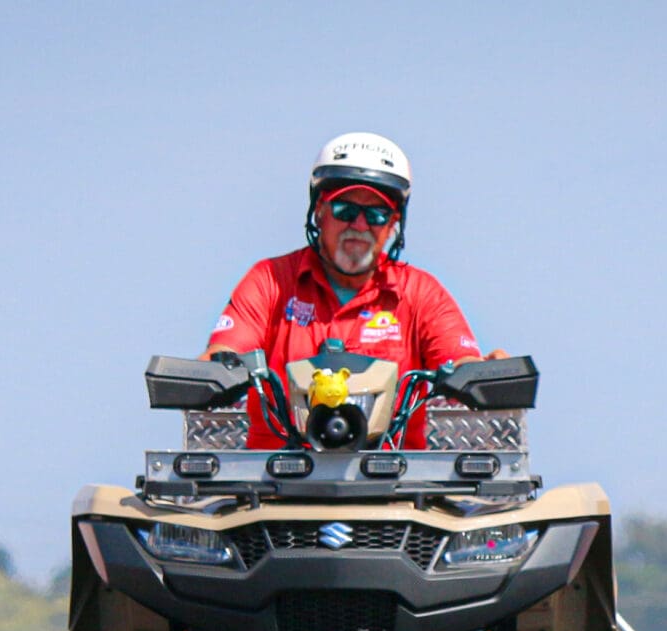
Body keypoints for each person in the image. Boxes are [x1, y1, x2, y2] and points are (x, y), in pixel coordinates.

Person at [201, 132, 508, 449]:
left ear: (394, 225)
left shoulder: (421, 292)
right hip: (275, 482)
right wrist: (214, 367)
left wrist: (484, 371)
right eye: (345, 210)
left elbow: (459, 363)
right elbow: (226, 357)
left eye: (377, 214)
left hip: (394, 485)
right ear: (319, 211)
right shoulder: (269, 281)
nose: (360, 225)